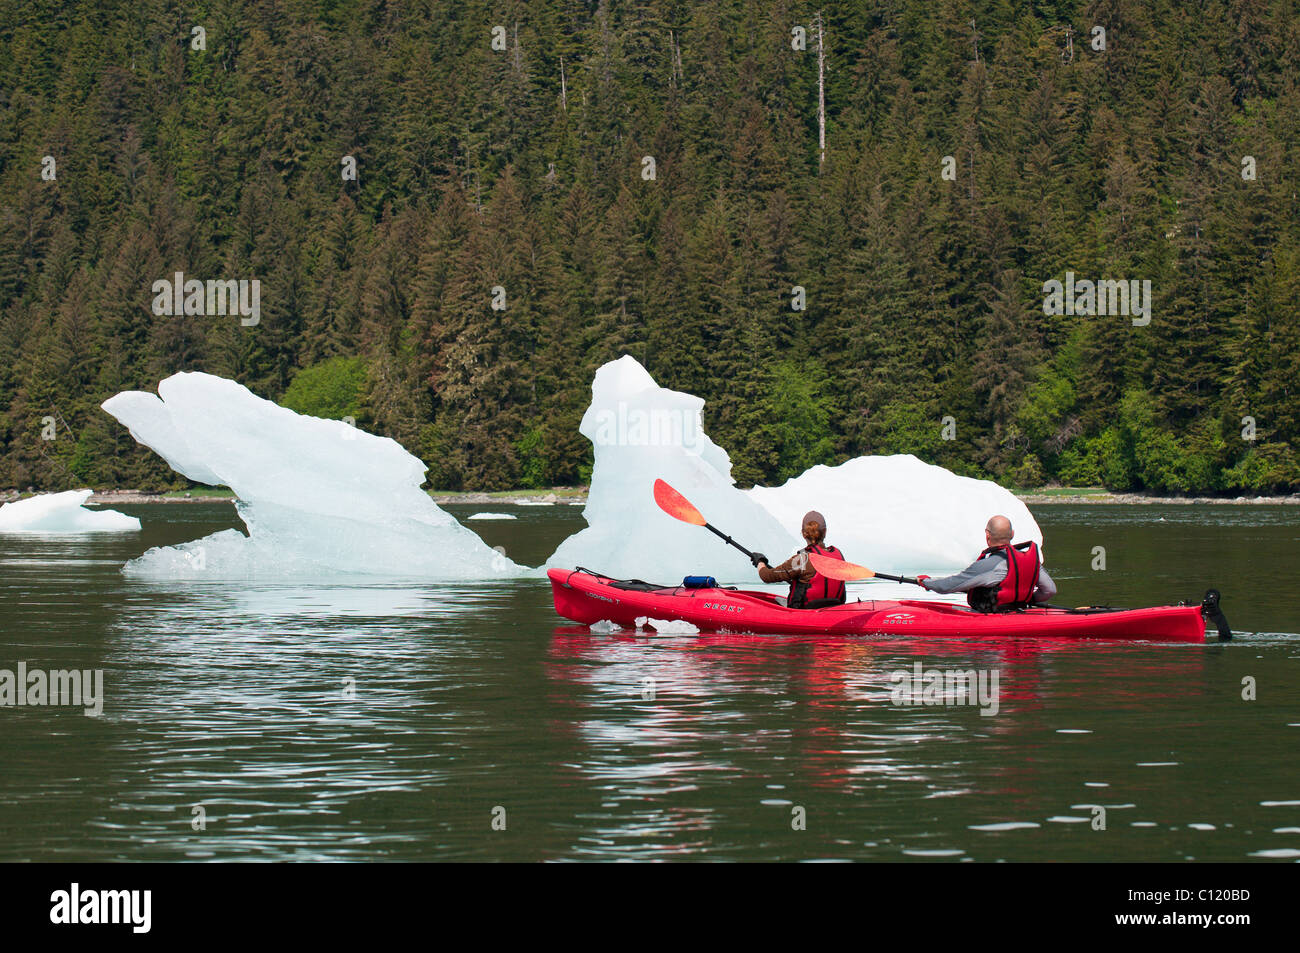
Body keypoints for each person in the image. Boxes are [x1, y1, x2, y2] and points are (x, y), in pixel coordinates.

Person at [916, 515, 1055, 611]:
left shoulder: (988, 565)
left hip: (994, 623)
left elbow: (947, 586)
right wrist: (1026, 600)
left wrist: (927, 582)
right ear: (1012, 534)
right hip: (1020, 611)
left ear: (987, 535)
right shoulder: (1031, 561)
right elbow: (1049, 590)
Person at [750, 511, 847, 609]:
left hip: (803, 612)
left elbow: (766, 576)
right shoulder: (839, 557)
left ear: (804, 534)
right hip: (832, 611)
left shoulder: (802, 560)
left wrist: (760, 562)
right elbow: (842, 596)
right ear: (825, 531)